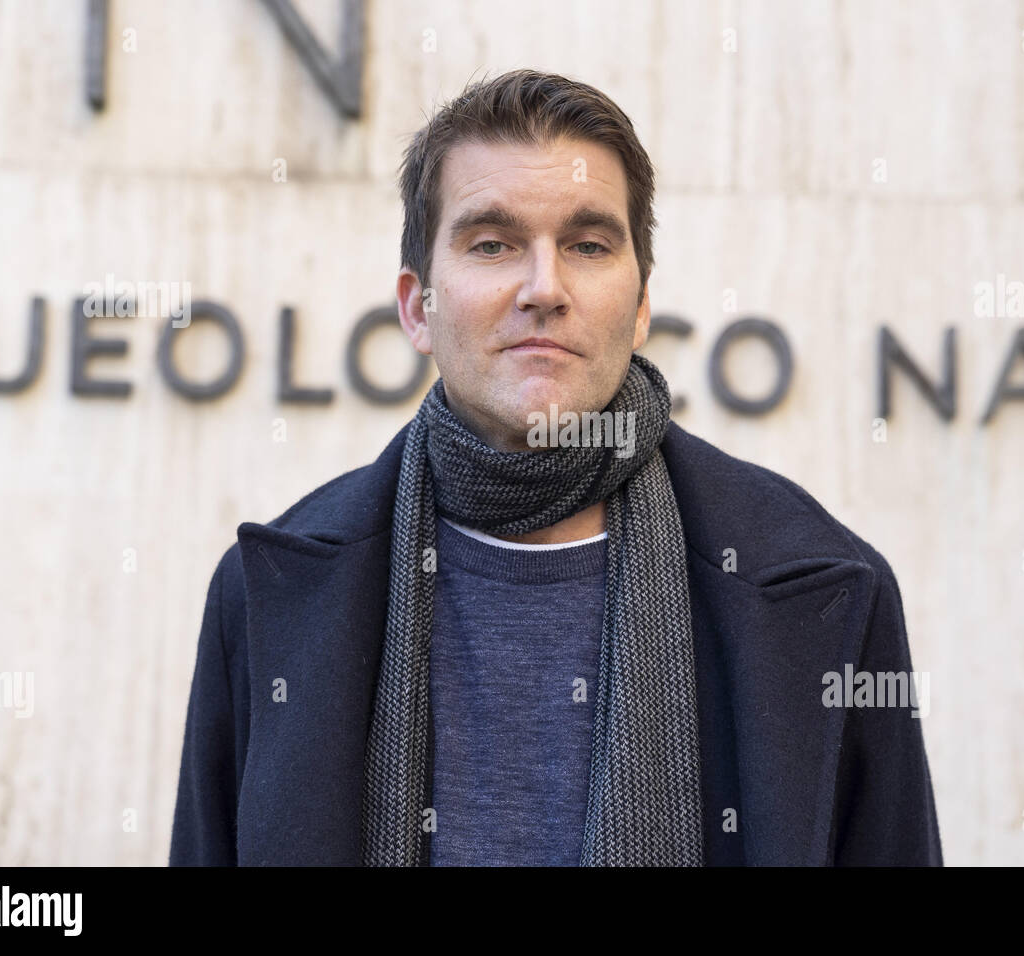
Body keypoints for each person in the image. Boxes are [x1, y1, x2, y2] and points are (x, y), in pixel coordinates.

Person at [168, 68, 943, 867]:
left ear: (640, 303)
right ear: (416, 307)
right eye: (493, 243)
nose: (545, 288)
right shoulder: (269, 597)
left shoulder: (821, 589)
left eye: (588, 245)